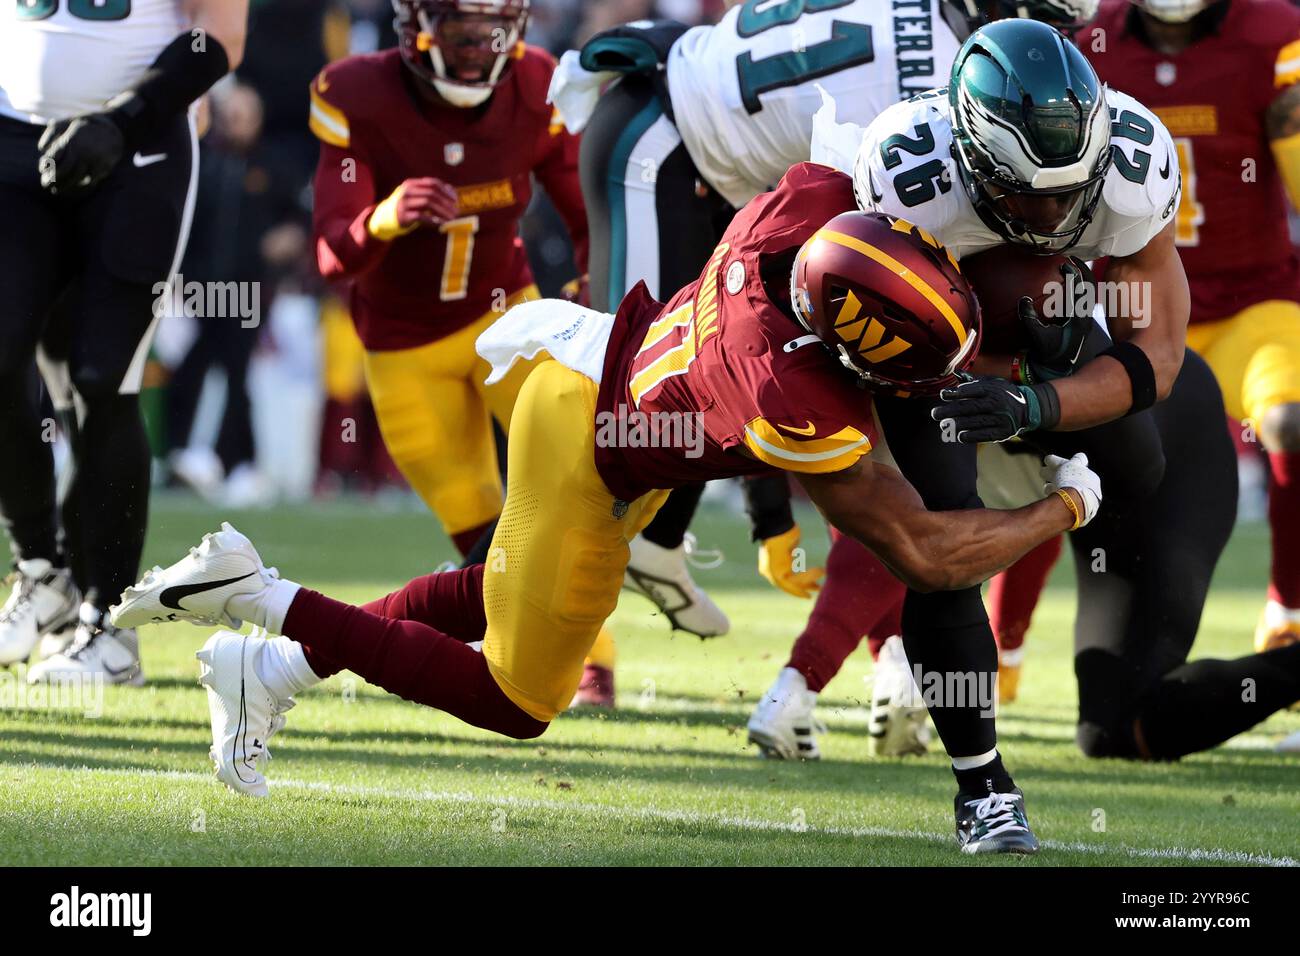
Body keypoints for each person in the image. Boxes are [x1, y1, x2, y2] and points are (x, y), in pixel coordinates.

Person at [113, 163, 1103, 854]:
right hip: (591, 452)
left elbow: (838, 176)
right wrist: (1064, 504)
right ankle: (260, 594)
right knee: (515, 699)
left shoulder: (806, 208)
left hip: (588, 366)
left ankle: (269, 667)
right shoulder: (785, 397)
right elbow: (927, 555)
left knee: (487, 587)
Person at [0, 0, 250, 684]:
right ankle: (42, 572)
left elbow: (222, 35)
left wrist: (121, 117)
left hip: (139, 148)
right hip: (13, 138)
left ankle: (108, 627)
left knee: (103, 378)